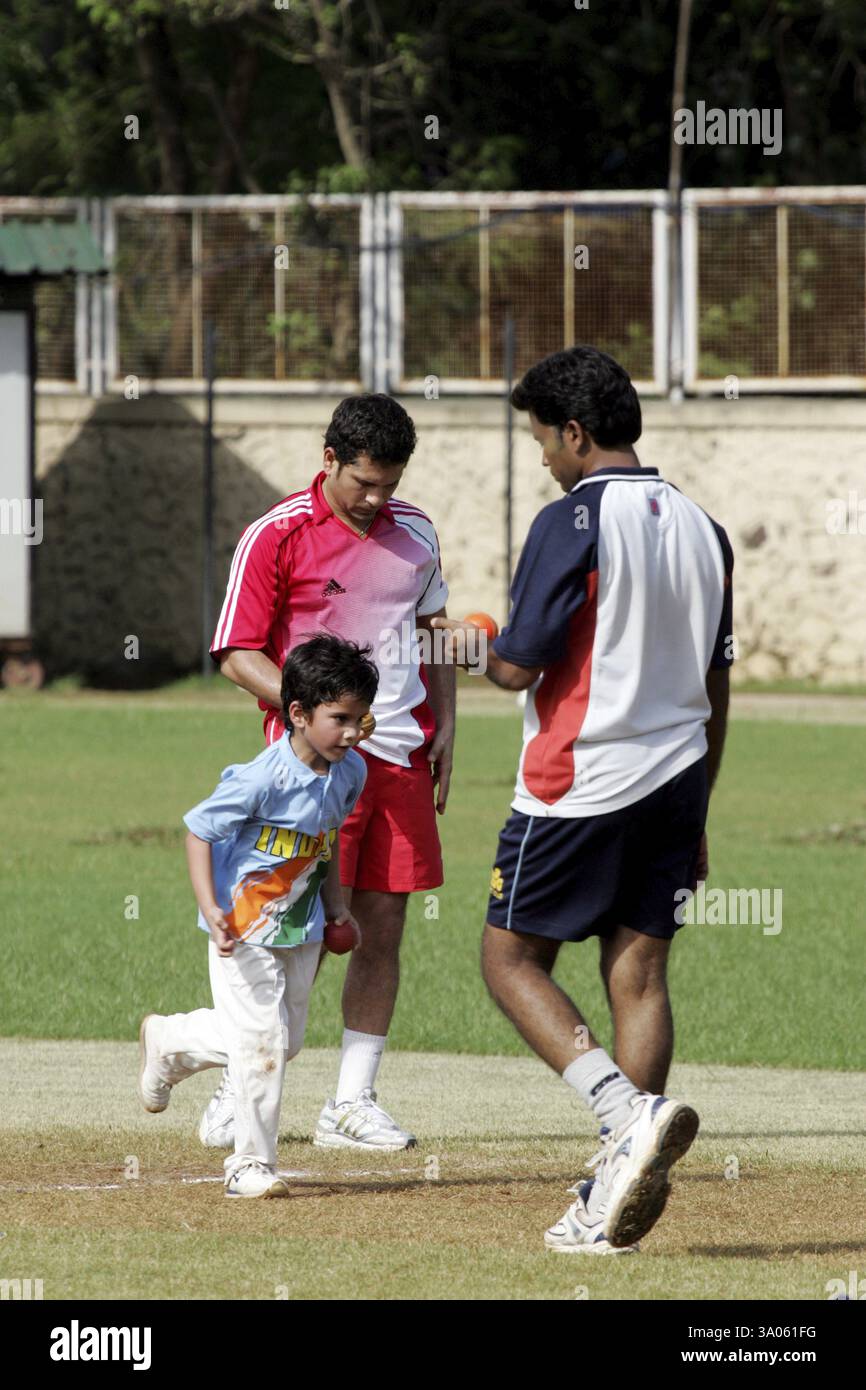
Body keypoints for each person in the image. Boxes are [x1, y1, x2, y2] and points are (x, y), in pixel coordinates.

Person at [433, 345, 733, 1253]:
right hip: (678, 782)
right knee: (637, 974)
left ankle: (620, 1119)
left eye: (543, 441)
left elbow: (515, 664)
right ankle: (616, 1192)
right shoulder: (704, 528)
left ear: (575, 432)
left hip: (579, 782)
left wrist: (455, 641)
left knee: (507, 958)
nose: (542, 459)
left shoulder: (570, 520)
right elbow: (720, 690)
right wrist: (703, 808)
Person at [199, 394, 454, 1153]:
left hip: (402, 759)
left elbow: (434, 633)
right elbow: (237, 652)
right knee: (287, 939)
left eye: (390, 484)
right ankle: (235, 1079)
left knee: (381, 930)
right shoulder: (274, 535)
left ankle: (351, 1103)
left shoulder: (417, 533)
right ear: (330, 457)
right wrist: (317, 714)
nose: (377, 500)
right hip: (306, 772)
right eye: (363, 484)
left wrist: (449, 729)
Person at [137, 635, 377, 1198]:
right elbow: (198, 829)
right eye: (339, 717)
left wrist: (339, 905)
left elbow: (328, 838)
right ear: (297, 712)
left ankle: (169, 1040)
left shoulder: (352, 773)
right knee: (263, 1043)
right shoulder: (260, 777)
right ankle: (250, 1165)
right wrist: (209, 907)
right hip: (243, 928)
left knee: (284, 1041)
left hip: (304, 927)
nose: (351, 731)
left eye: (359, 719)